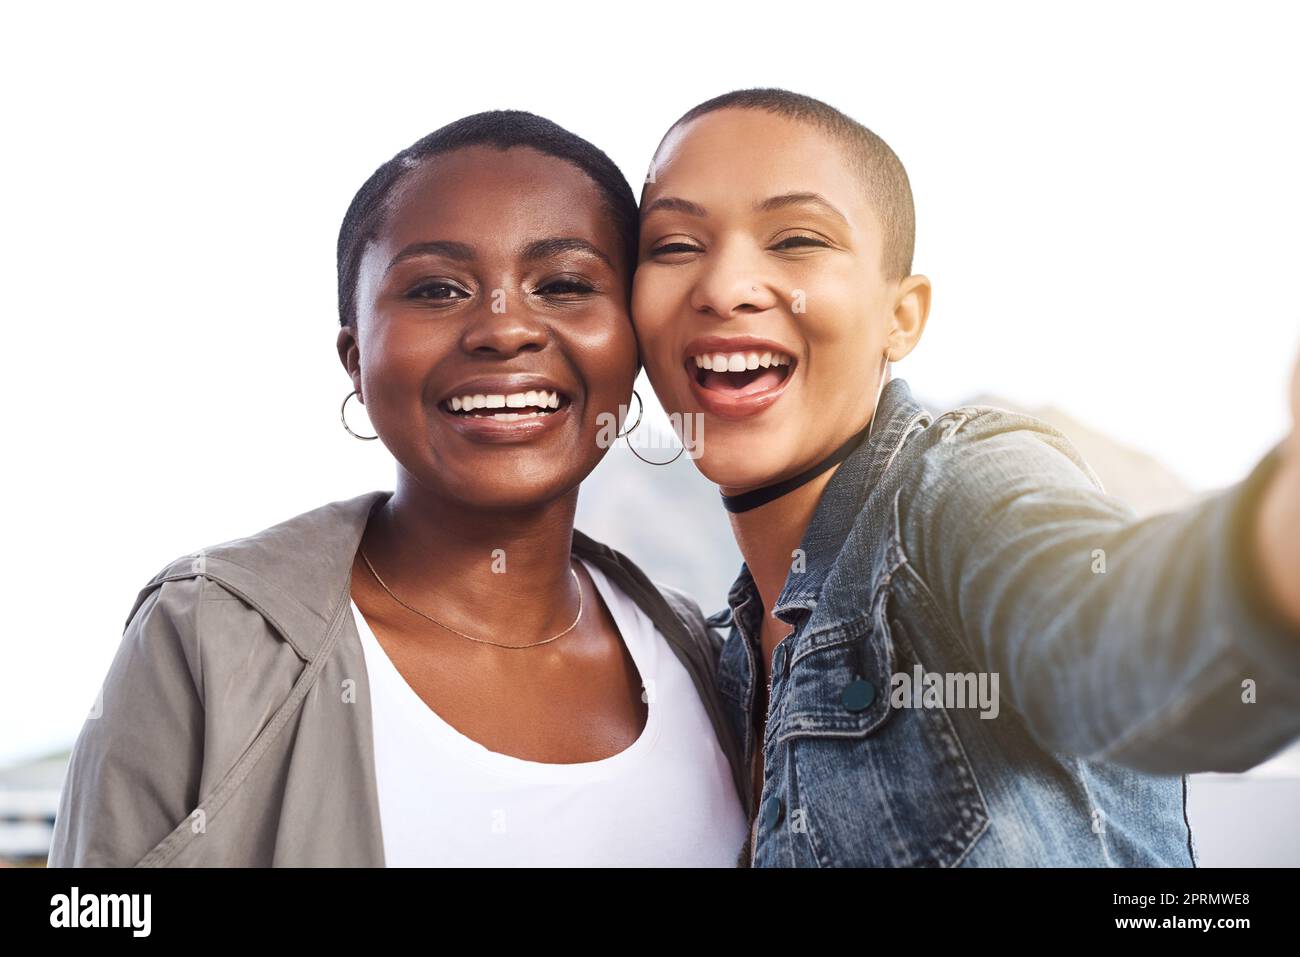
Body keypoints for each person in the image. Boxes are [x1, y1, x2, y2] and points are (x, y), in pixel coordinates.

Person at [48, 110, 750, 867]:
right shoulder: (210, 638)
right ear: (355, 358)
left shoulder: (703, 658)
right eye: (439, 290)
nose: (503, 329)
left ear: (635, 342)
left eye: (565, 283)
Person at [630, 87, 1300, 866]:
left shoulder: (958, 487)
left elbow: (1105, 636)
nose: (723, 287)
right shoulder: (722, 663)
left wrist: (1272, 550)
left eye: (797, 239)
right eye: (676, 246)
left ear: (902, 317)